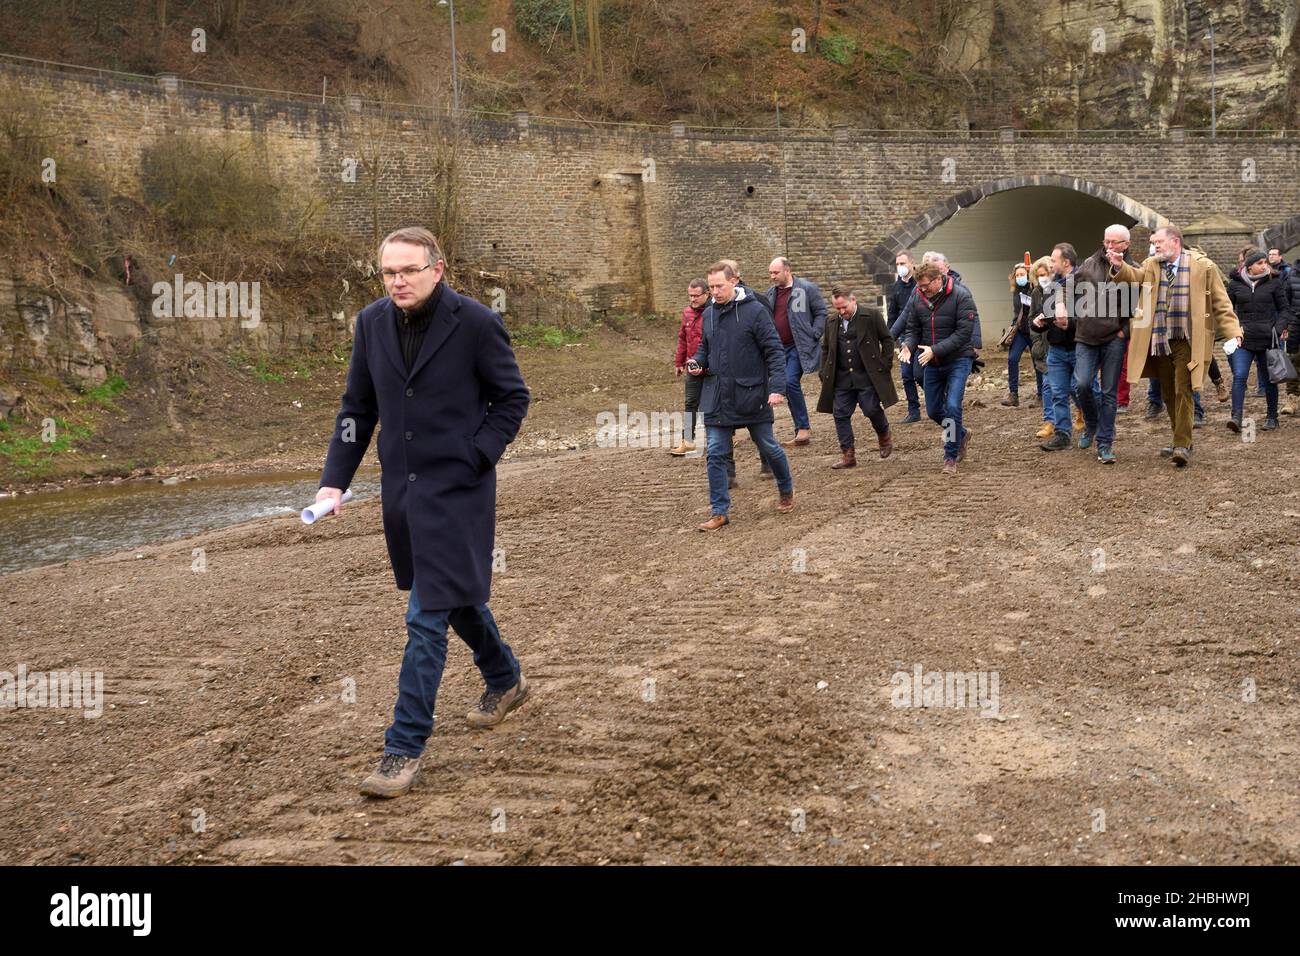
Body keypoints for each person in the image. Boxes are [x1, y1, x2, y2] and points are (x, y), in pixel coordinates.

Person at [317, 226, 531, 799]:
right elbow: (356, 409)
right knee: (453, 596)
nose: (398, 281)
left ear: (438, 269)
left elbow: (513, 398)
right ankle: (506, 679)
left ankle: (403, 747)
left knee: (425, 617)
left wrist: (477, 455)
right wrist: (333, 484)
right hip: (403, 495)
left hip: (460, 490)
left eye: (408, 270)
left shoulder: (477, 324)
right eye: (389, 272)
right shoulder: (370, 323)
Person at [1106, 225, 1242, 466]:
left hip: (1187, 339)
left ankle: (1181, 444)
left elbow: (1222, 303)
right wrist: (1119, 266)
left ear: (1175, 242)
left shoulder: (1203, 266)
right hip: (1158, 338)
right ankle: (1182, 439)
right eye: (1153, 242)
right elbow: (1135, 278)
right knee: (1168, 392)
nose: (1155, 246)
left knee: (1183, 388)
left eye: (1158, 242)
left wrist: (1234, 332)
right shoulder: (1152, 264)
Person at [691, 261, 795, 529]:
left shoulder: (755, 312)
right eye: (711, 287)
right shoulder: (711, 313)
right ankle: (719, 511)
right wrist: (698, 361)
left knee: (768, 447)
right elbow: (705, 346)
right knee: (715, 452)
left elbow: (774, 351)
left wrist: (777, 388)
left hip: (751, 393)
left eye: (719, 286)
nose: (714, 292)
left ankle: (785, 488)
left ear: (734, 282)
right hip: (717, 395)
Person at [901, 260, 976, 474]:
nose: (922, 289)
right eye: (920, 286)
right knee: (934, 411)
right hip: (932, 361)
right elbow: (912, 328)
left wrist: (935, 349)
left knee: (952, 406)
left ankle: (950, 456)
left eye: (925, 285)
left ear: (938, 279)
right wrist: (908, 345)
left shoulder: (961, 296)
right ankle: (960, 433)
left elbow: (963, 334)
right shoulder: (918, 297)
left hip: (958, 360)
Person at [1072, 225, 1137, 463]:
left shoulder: (1134, 271)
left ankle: (1105, 443)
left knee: (1109, 393)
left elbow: (1142, 306)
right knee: (1082, 384)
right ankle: (1091, 423)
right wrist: (1061, 306)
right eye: (1106, 241)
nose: (1109, 246)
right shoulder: (1089, 263)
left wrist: (1125, 332)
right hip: (1086, 336)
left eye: (1114, 242)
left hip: (1114, 338)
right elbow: (1066, 289)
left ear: (1126, 245)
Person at [817, 287, 896, 467]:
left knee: (871, 409)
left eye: (844, 307)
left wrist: (886, 364)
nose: (841, 312)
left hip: (867, 376)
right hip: (842, 377)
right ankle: (848, 455)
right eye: (837, 308)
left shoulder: (871, 315)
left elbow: (887, 339)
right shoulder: (831, 321)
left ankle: (884, 435)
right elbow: (826, 349)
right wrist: (824, 371)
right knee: (840, 414)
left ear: (853, 300)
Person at [1226, 249, 1295, 432]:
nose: (1265, 266)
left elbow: (1285, 310)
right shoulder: (1234, 285)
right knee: (1239, 376)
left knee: (1269, 379)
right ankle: (1236, 416)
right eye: (1260, 263)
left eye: (1266, 262)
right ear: (1249, 267)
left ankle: (1272, 417)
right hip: (1243, 340)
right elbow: (1227, 311)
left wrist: (1277, 329)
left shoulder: (1275, 283)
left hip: (1268, 340)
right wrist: (1234, 328)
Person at [764, 257, 827, 447]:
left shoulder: (806, 289)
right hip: (777, 349)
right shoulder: (770, 294)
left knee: (790, 382)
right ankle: (787, 429)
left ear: (787, 271)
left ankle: (803, 429)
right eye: (770, 273)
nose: (772, 276)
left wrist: (814, 334)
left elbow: (821, 313)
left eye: (775, 272)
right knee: (778, 385)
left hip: (798, 348)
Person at [1039, 243, 1083, 452]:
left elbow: (1091, 315)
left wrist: (1070, 323)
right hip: (1055, 348)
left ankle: (1096, 425)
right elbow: (1045, 313)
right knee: (1057, 392)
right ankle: (1063, 434)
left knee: (1084, 389)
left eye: (1054, 260)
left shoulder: (1084, 284)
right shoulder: (1051, 286)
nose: (1051, 263)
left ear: (1066, 262)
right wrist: (1039, 321)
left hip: (1079, 347)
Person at [671, 279, 710, 457]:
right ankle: (687, 441)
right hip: (692, 366)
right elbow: (682, 338)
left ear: (706, 294)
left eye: (696, 296)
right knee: (690, 403)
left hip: (713, 368)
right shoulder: (687, 313)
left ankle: (722, 437)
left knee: (713, 404)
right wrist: (679, 362)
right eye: (690, 295)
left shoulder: (714, 312)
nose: (692, 299)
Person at [887, 251, 922, 423]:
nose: (900, 267)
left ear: (912, 264)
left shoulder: (920, 284)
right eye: (897, 264)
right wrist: (888, 337)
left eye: (903, 263)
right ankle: (913, 410)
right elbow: (892, 315)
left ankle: (938, 399)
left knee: (921, 374)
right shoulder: (895, 288)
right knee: (907, 375)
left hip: (922, 336)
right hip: (904, 337)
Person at [1001, 262, 1039, 407]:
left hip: (1034, 331)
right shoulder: (1016, 291)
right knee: (1012, 359)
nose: (1020, 277)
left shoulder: (1034, 288)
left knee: (1038, 362)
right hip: (1020, 331)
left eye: (1022, 274)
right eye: (1017, 275)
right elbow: (1018, 312)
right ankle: (1013, 394)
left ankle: (1041, 395)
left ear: (1028, 275)